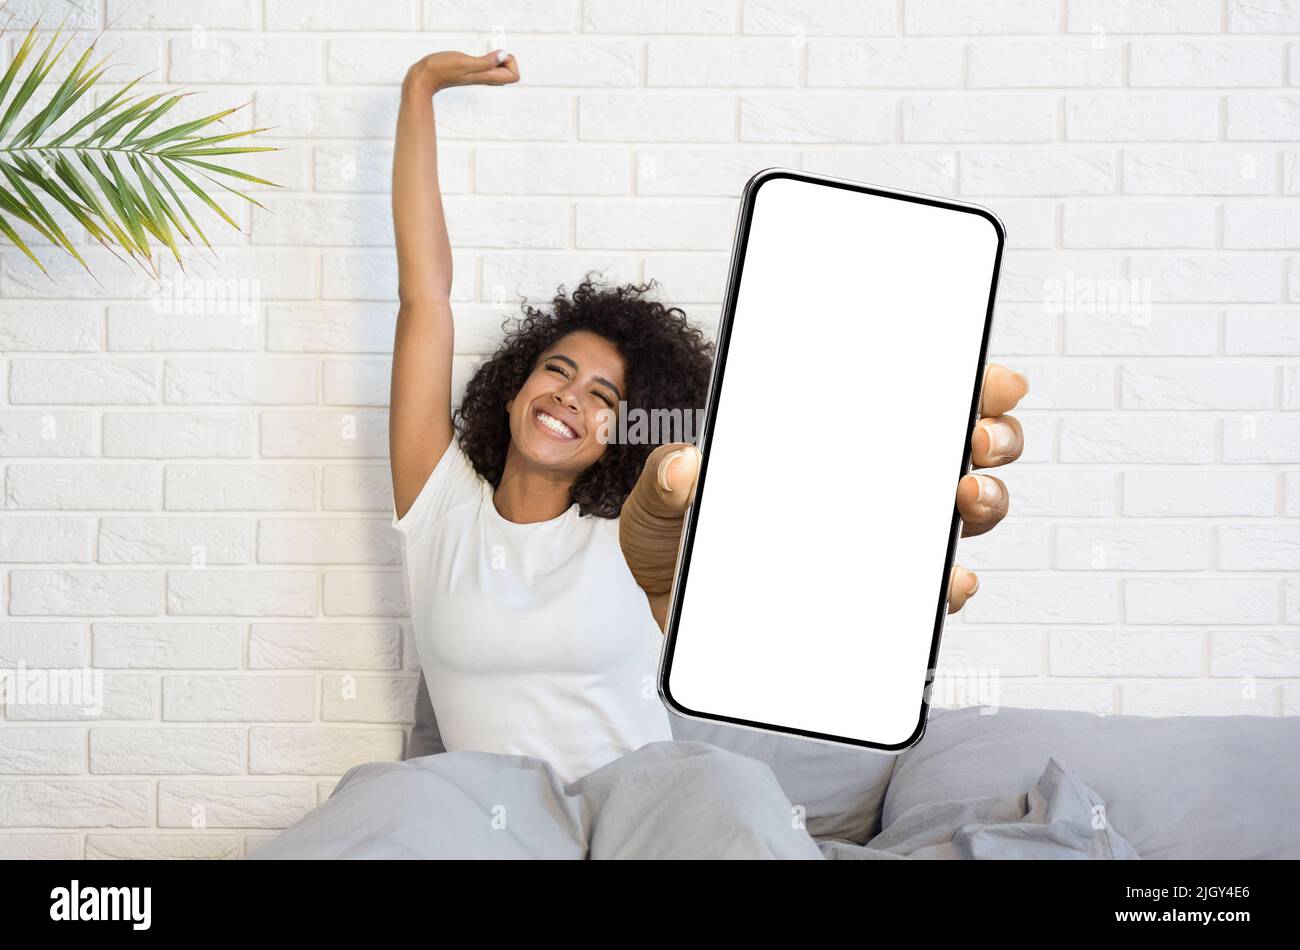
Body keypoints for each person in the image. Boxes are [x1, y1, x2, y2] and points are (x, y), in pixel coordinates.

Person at [387, 49, 1028, 787]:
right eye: (557, 372)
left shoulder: (638, 534)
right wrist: (422, 86)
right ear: (511, 389)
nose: (571, 396)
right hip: (491, 824)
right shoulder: (438, 512)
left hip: (644, 806)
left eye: (604, 397)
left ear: (620, 439)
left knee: (728, 799)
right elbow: (423, 298)